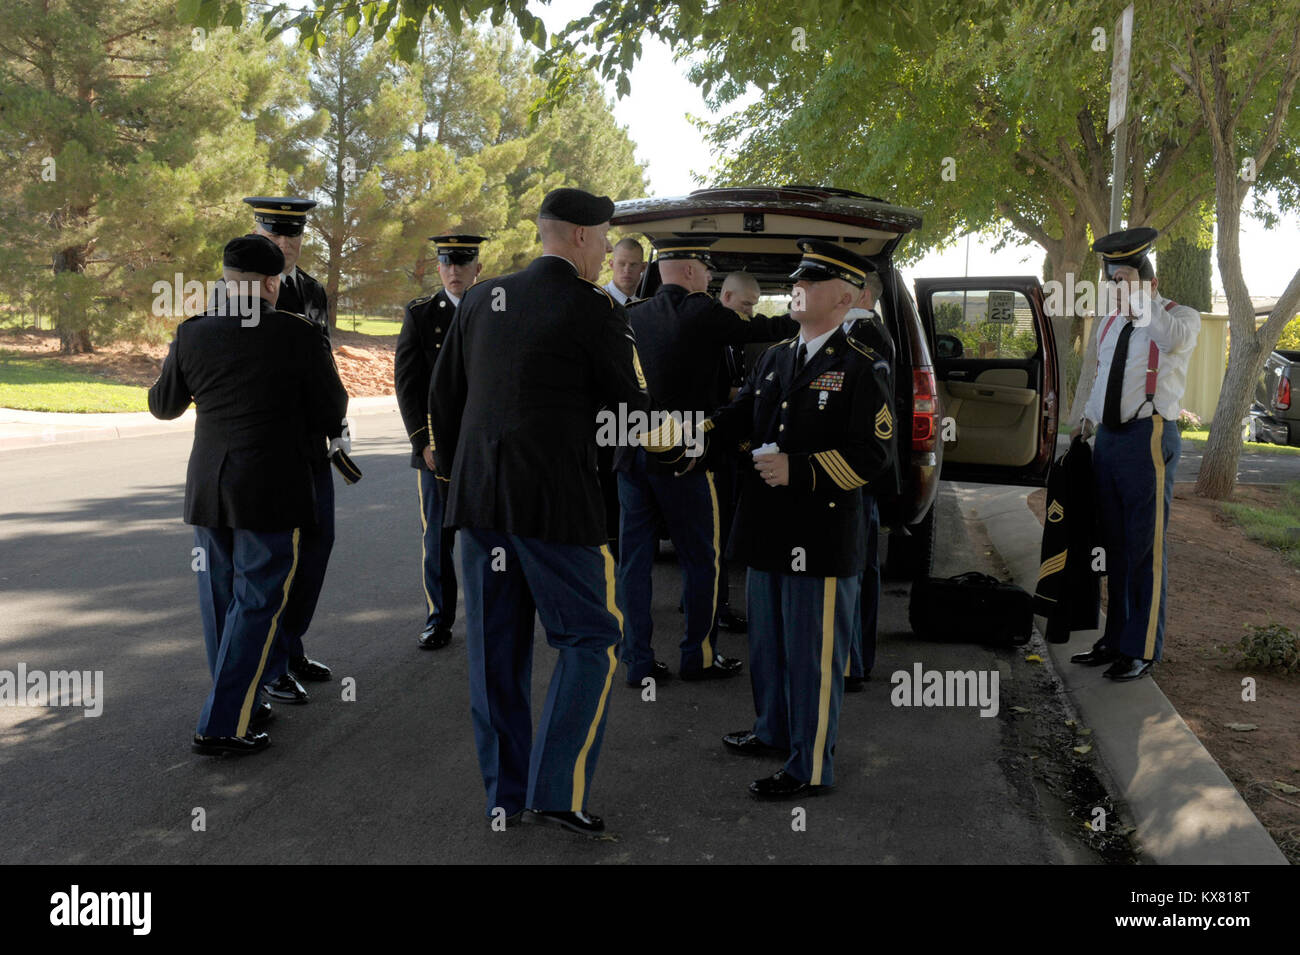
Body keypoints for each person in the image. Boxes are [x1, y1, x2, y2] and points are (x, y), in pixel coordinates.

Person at [429, 188, 676, 836]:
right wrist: (682, 443)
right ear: (578, 238)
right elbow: (631, 411)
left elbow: (443, 393)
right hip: (554, 508)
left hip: (480, 504)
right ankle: (558, 789)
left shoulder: (483, 297)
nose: (604, 253)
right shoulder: (591, 307)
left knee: (494, 655)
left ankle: (505, 799)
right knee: (593, 638)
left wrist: (461, 474)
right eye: (601, 241)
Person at [705, 239, 894, 799]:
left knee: (813, 656)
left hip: (822, 531)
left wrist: (800, 469)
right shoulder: (777, 355)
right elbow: (741, 416)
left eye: (809, 283)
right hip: (768, 529)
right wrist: (693, 435)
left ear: (843, 297)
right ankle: (773, 732)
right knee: (768, 645)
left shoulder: (861, 366)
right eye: (797, 281)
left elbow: (872, 455)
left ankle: (810, 766)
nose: (797, 289)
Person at [148, 235, 347, 755]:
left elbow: (163, 406)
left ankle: (243, 700)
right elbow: (331, 412)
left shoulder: (191, 332)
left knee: (221, 602)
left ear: (226, 280)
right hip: (270, 489)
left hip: (210, 486)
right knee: (257, 601)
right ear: (270, 284)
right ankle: (221, 723)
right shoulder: (296, 334)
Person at [615, 245, 797, 688]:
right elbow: (768, 328)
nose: (709, 281)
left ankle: (637, 662)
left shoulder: (632, 313)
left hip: (633, 449)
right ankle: (698, 656)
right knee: (702, 559)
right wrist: (808, 304)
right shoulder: (703, 313)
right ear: (693, 272)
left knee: (633, 562)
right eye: (706, 272)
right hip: (686, 455)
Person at [1069, 227, 1200, 681]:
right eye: (1114, 282)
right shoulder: (1110, 323)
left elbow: (1171, 342)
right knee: (1115, 546)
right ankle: (1114, 639)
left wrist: (1138, 299)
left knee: (1145, 548)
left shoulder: (1179, 317)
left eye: (1126, 280)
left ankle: (1142, 648)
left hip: (1149, 437)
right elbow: (1104, 377)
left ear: (1151, 283)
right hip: (1109, 438)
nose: (1118, 290)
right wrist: (1084, 423)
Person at [242, 197, 345, 702]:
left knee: (318, 544)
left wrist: (338, 423)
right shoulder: (239, 292)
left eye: (293, 237)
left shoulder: (310, 289)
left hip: (311, 441)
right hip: (268, 446)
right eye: (275, 237)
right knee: (277, 557)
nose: (285, 245)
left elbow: (323, 357)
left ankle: (290, 642)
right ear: (259, 237)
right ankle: (271, 661)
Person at [394, 233, 486, 650]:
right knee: (438, 538)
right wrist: (422, 443)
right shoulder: (420, 314)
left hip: (484, 446)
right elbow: (408, 386)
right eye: (447, 263)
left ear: (477, 269)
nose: (454, 271)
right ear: (438, 268)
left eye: (463, 263)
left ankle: (488, 614)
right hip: (437, 448)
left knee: (486, 536)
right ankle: (439, 618)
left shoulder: (494, 309)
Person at [842, 270, 893, 690]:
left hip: (855, 473)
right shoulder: (867, 330)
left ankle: (853, 661)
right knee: (860, 564)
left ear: (860, 293)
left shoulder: (866, 335)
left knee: (856, 565)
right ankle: (854, 658)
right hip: (861, 476)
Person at [712, 270, 764, 634]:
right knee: (714, 532)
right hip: (711, 444)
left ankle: (708, 601)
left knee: (718, 529)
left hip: (726, 445)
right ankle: (716, 607)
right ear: (727, 298)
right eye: (747, 305)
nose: (750, 313)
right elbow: (716, 393)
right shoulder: (711, 336)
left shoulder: (732, 337)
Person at [603, 236, 646, 304]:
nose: (627, 270)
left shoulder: (644, 307)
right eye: (621, 264)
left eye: (633, 265)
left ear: (643, 267)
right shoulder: (596, 300)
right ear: (611, 265)